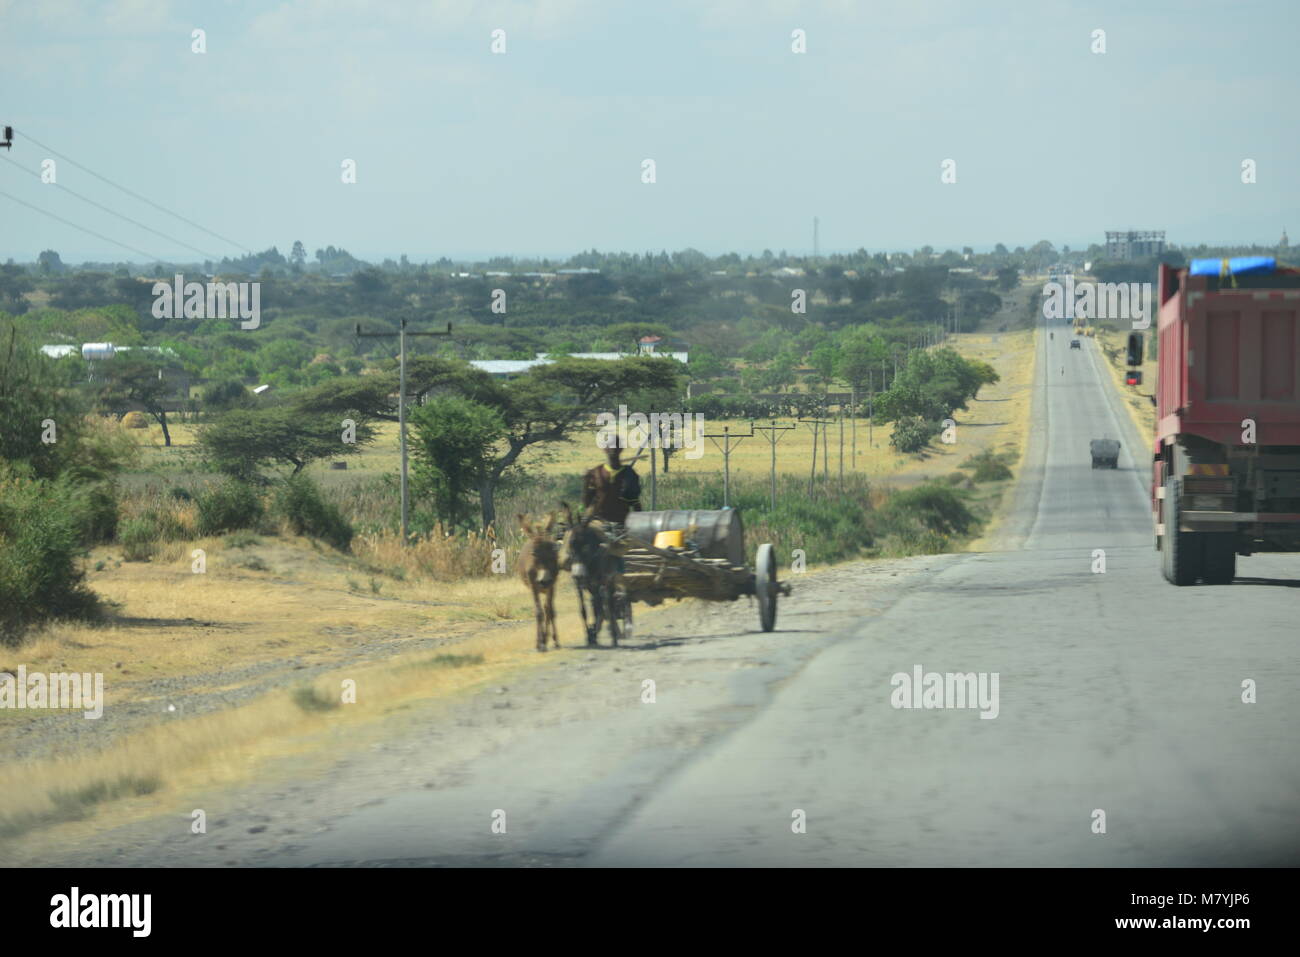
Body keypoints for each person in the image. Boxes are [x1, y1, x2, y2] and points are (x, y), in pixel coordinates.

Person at [582, 436, 642, 524]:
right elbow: (587, 503)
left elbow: (635, 503)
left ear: (621, 449)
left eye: (616, 445)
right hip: (599, 524)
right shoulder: (596, 473)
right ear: (604, 449)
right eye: (610, 445)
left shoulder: (629, 474)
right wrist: (585, 483)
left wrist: (640, 523)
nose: (613, 448)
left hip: (622, 523)